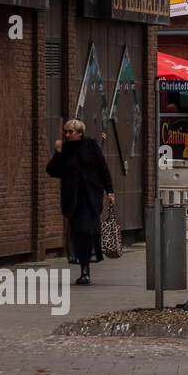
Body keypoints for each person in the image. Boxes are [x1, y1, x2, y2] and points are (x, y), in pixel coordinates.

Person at [45, 118, 115, 285]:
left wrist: (110, 191)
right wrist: (58, 153)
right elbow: (52, 171)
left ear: (80, 133)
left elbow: (103, 169)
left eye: (71, 131)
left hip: (91, 196)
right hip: (73, 198)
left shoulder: (91, 146)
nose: (67, 134)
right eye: (66, 131)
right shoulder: (65, 150)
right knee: (79, 232)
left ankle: (85, 268)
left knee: (87, 231)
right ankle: (84, 269)